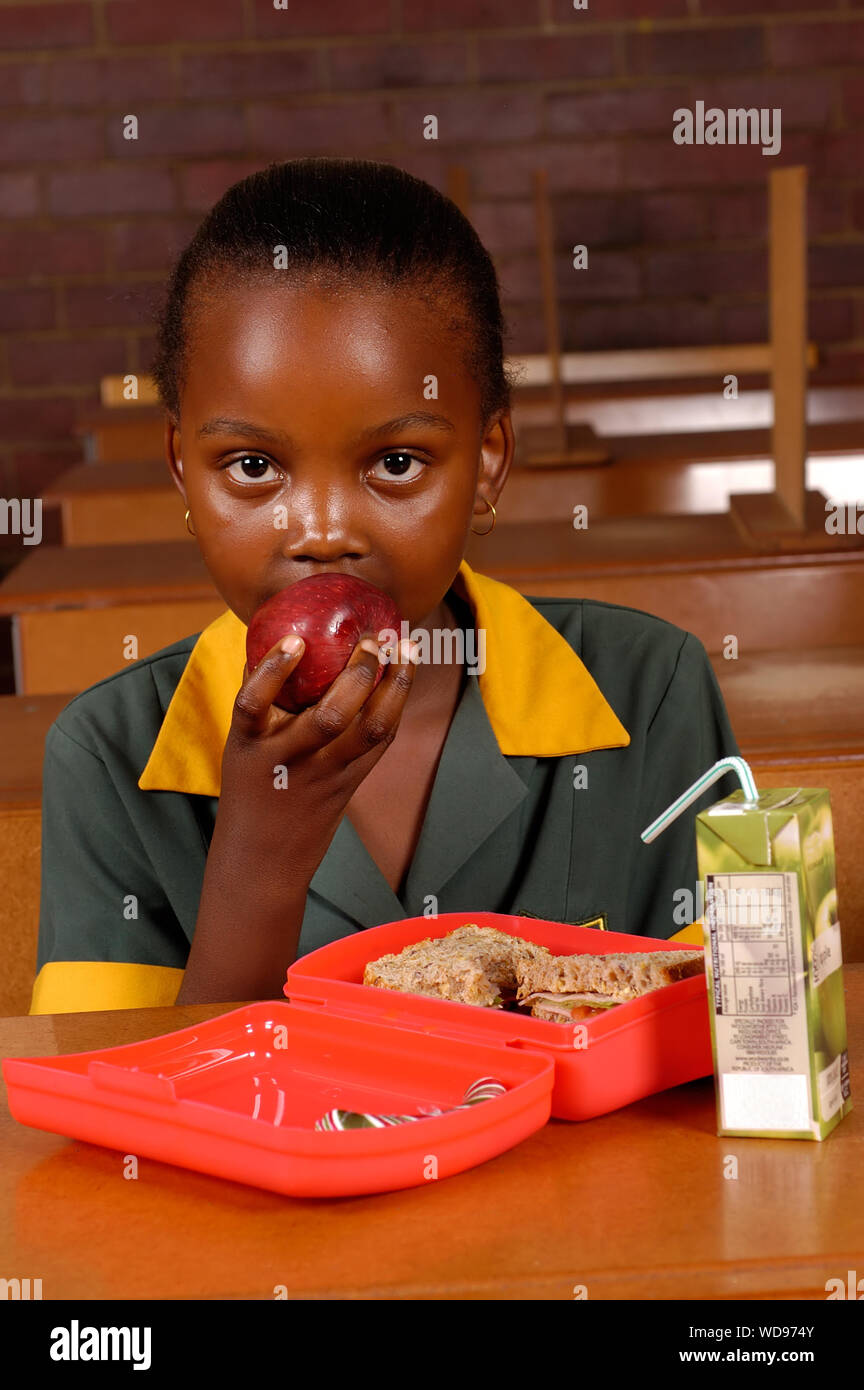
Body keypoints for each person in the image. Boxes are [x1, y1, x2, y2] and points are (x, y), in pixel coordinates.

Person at [31, 158, 741, 1015]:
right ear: (184, 471)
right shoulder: (112, 752)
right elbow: (123, 1112)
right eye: (253, 466)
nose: (323, 529)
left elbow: (735, 1040)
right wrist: (258, 861)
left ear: (487, 465)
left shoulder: (646, 690)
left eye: (396, 463)